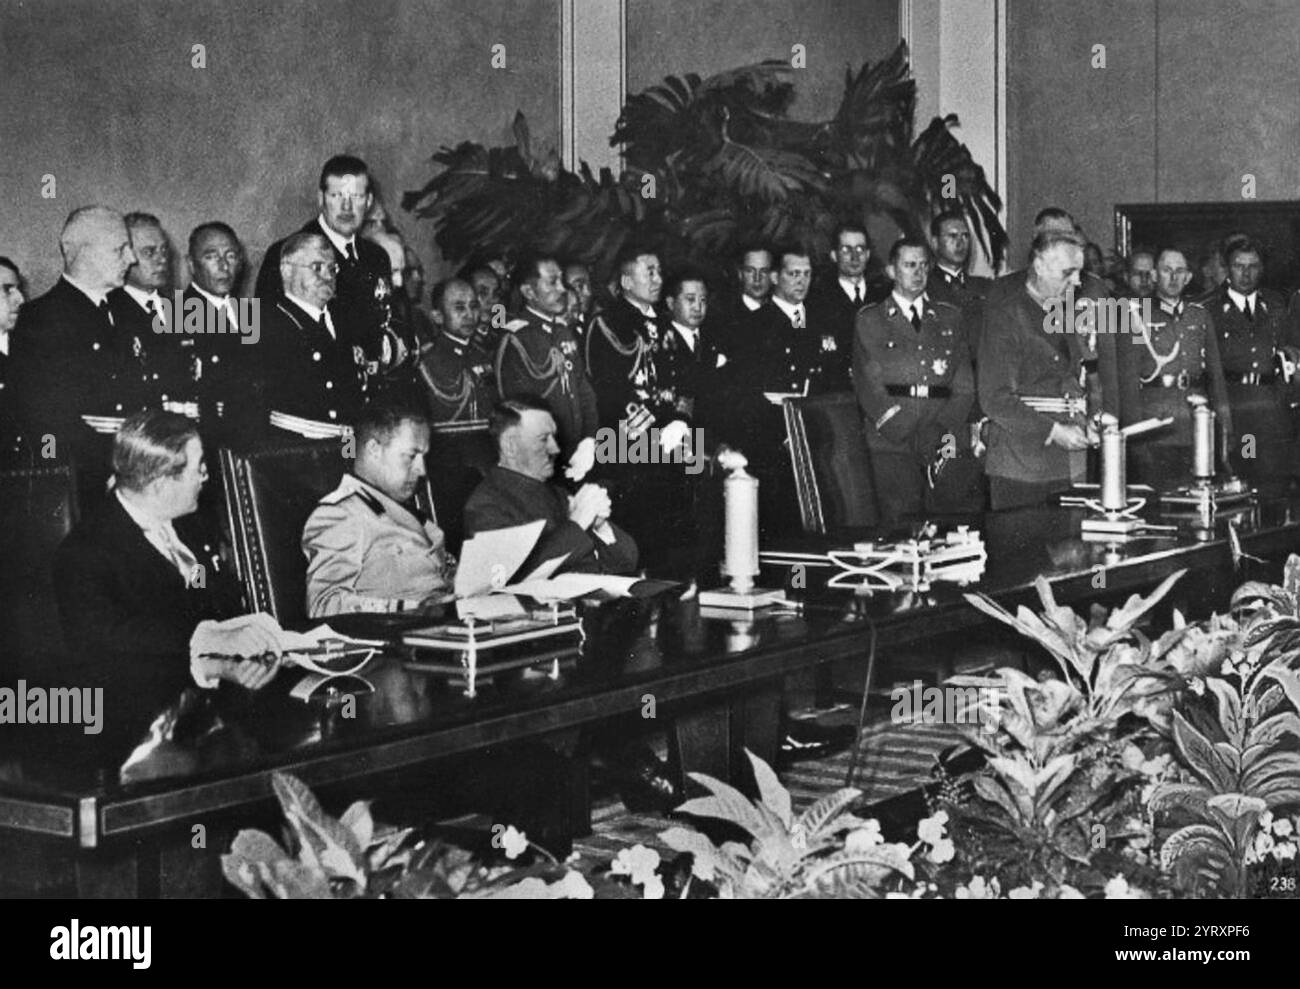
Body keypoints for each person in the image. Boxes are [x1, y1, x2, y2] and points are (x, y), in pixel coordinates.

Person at [53, 409, 282, 689]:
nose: (205, 477)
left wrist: (253, 642)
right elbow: (114, 651)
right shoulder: (85, 555)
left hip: (217, 695)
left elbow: (203, 587)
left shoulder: (189, 523)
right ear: (161, 484)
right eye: (198, 468)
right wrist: (210, 652)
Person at [10, 206, 137, 492]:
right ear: (81, 252)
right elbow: (45, 420)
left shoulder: (129, 313)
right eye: (121, 249)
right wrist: (114, 469)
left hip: (136, 470)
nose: (132, 258)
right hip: (87, 481)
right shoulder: (39, 321)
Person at [853, 237, 976, 521]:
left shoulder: (949, 318)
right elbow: (868, 385)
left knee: (950, 522)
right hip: (892, 438)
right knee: (901, 524)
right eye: (909, 265)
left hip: (944, 434)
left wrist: (941, 427)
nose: (919, 273)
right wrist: (901, 428)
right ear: (891, 271)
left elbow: (964, 386)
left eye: (923, 265)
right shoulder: (870, 320)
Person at [979, 230, 1097, 510]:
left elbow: (1075, 382)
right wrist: (1054, 431)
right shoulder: (1006, 316)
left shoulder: (1066, 316)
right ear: (1040, 266)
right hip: (1023, 464)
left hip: (1069, 465)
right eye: (1068, 272)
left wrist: (1090, 420)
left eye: (1079, 273)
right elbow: (995, 399)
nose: (1077, 281)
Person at [302, 402, 452, 616]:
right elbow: (324, 605)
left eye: (423, 457)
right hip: (397, 638)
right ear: (374, 450)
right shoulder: (340, 515)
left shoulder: (407, 511)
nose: (421, 470)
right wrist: (416, 610)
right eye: (411, 456)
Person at [464, 397, 638, 580]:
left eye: (553, 437)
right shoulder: (484, 507)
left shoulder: (558, 492)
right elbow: (509, 579)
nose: (555, 448)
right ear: (510, 446)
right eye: (543, 439)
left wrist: (600, 526)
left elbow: (627, 562)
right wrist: (577, 523)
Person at [256, 155, 393, 373]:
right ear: (321, 198)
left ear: (368, 202)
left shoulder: (377, 257)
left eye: (356, 196)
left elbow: (393, 321)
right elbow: (267, 334)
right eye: (337, 195)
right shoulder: (289, 253)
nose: (346, 207)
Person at [1117, 247, 1231, 486]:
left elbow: (1216, 377)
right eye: (1167, 270)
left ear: (1189, 277)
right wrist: (1135, 438)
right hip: (1155, 428)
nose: (1173, 277)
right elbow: (1128, 380)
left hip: (1195, 428)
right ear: (1155, 276)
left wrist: (1226, 427)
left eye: (1180, 271)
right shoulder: (1138, 315)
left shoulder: (1199, 316)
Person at [494, 253, 599, 478]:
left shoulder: (563, 332)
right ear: (529, 292)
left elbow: (584, 391)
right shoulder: (516, 339)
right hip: (542, 460)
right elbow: (515, 414)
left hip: (579, 453)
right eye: (552, 282)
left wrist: (589, 440)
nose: (562, 289)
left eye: (562, 281)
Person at [1207, 237, 1298, 487]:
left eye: (1253, 266)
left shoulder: (1276, 305)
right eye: (1239, 266)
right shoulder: (1210, 309)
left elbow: (1289, 352)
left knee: (1273, 482)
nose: (1246, 273)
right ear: (1227, 268)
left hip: (1272, 409)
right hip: (1237, 409)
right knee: (1244, 477)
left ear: (1262, 269)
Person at [257, 232, 368, 433]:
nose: (327, 276)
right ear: (287, 270)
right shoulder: (267, 324)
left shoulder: (345, 320)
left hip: (346, 441)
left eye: (332, 269)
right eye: (316, 267)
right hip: (298, 447)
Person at [105, 212, 173, 413]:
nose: (162, 261)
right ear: (123, 256)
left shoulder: (179, 310)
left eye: (164, 251)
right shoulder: (108, 312)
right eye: (149, 253)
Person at [808, 221, 888, 368]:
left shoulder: (884, 297)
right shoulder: (817, 300)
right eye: (846, 250)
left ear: (868, 254)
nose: (854, 256)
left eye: (860, 249)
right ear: (834, 255)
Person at [417, 277, 495, 425]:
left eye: (474, 306)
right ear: (438, 316)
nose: (469, 315)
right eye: (459, 308)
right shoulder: (427, 361)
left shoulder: (483, 354)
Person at [0, 257, 24, 464]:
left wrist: (49, 460)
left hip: (30, 478)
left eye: (18, 289)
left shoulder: (33, 348)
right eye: (8, 290)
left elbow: (50, 431)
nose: (20, 299)